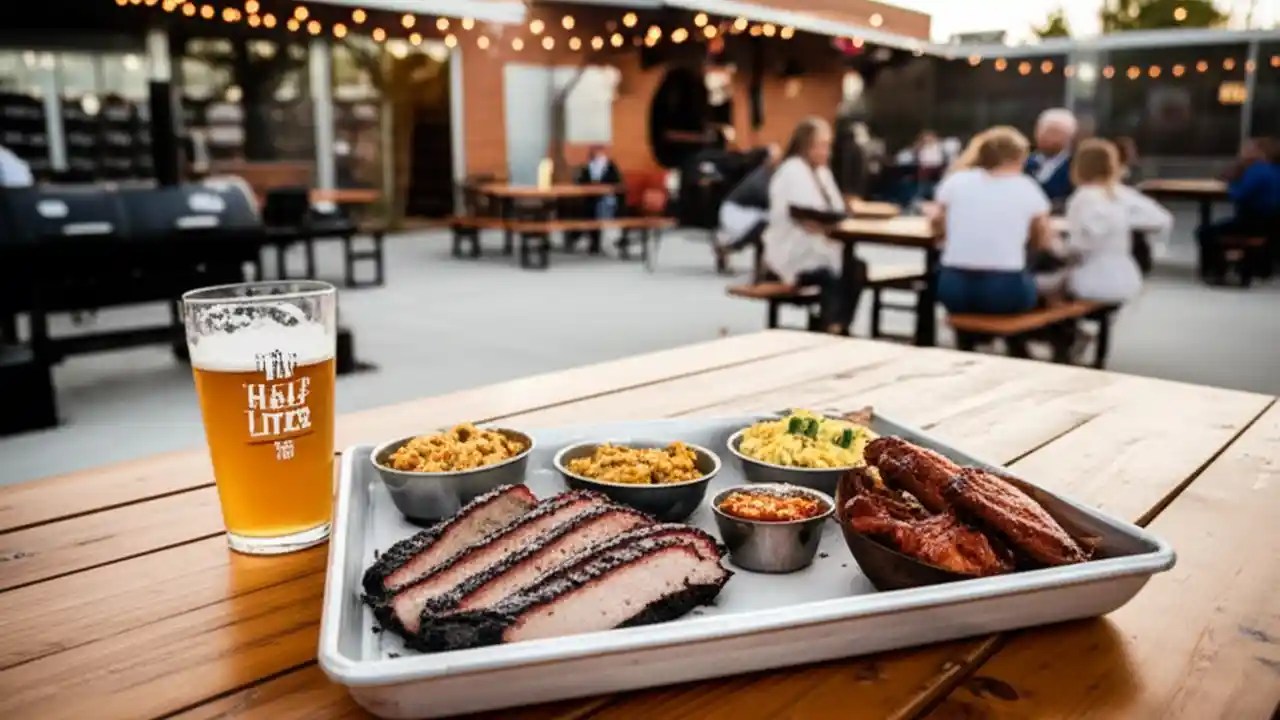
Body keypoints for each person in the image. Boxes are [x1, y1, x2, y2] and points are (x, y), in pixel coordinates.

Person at [762, 117, 866, 335]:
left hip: (822, 244)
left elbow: (835, 210)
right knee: (828, 277)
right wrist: (825, 224)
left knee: (856, 268)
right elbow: (804, 215)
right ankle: (827, 330)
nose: (827, 151)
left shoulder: (823, 173)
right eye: (822, 145)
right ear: (807, 145)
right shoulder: (791, 170)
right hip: (794, 251)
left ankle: (839, 326)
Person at [933, 126, 1051, 317]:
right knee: (1048, 290)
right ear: (1019, 157)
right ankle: (1025, 343)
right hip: (1004, 288)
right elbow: (1043, 240)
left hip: (953, 286)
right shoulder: (1027, 187)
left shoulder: (956, 181)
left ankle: (972, 339)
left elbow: (938, 225)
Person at [1038, 139, 1172, 305]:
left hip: (1093, 280)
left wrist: (1052, 242)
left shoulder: (1083, 197)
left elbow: (1077, 250)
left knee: (1041, 287)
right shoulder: (1120, 193)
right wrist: (1121, 222)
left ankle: (1065, 329)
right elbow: (1162, 219)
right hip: (1127, 277)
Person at [1196, 138, 1280, 283]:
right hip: (1271, 224)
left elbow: (1238, 195)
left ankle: (1214, 270)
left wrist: (1231, 186)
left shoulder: (1257, 171)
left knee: (1205, 232)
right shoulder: (1274, 170)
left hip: (1254, 224)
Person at [715, 143, 781, 275]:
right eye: (776, 158)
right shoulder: (760, 178)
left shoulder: (771, 176)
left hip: (749, 211)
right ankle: (729, 248)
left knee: (767, 227)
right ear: (766, 160)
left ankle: (758, 265)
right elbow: (771, 200)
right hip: (737, 212)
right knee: (765, 227)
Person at [573, 145, 624, 253]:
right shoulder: (587, 167)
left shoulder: (610, 166)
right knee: (585, 209)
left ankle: (605, 238)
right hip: (590, 199)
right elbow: (581, 183)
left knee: (605, 204)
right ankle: (592, 240)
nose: (597, 154)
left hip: (607, 199)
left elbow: (616, 183)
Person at [1025, 108, 1078, 206]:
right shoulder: (1023, 163)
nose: (1045, 137)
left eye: (1053, 133)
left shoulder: (1075, 167)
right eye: (1041, 130)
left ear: (1068, 136)